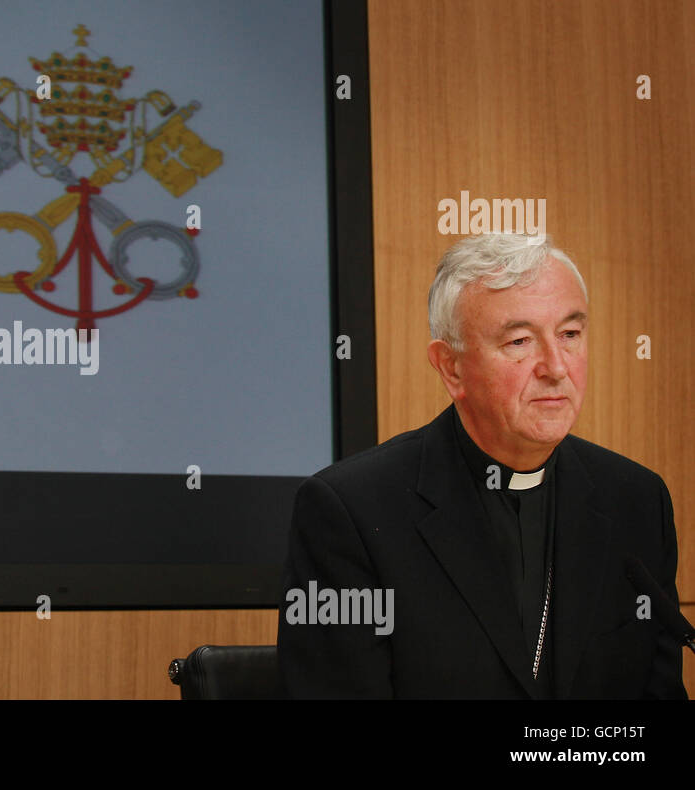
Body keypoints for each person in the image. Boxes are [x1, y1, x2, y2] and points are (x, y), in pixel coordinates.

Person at [278, 233, 684, 699]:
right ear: (451, 368)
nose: (555, 366)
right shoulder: (351, 513)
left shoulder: (635, 501)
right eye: (520, 341)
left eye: (570, 334)